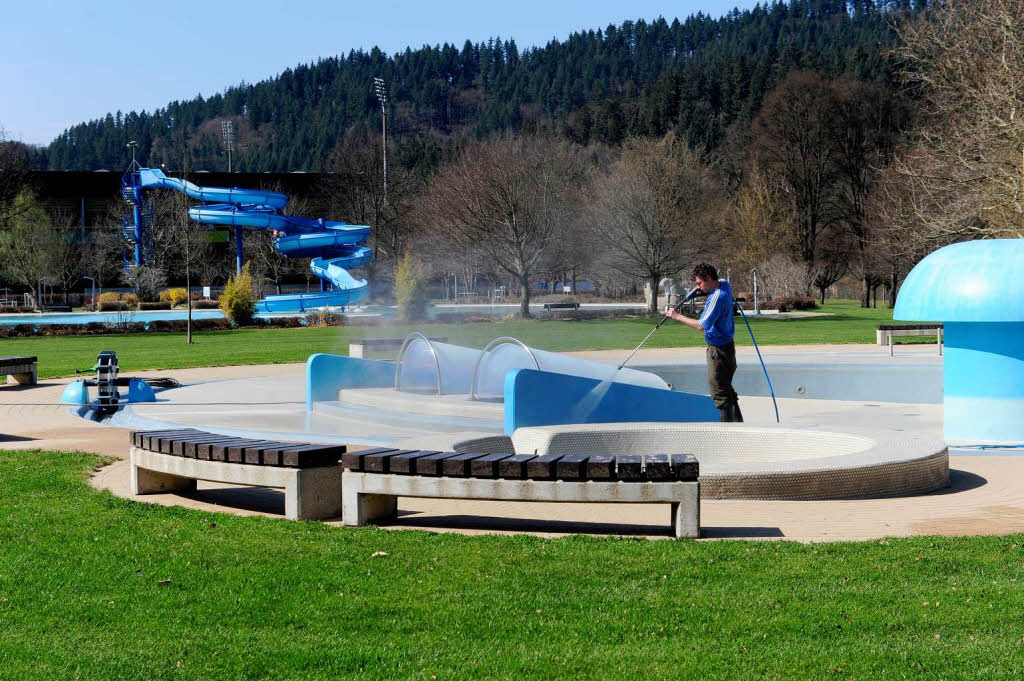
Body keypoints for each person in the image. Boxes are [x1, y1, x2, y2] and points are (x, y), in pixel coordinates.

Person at [665, 263, 743, 422]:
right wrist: (698, 292)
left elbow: (701, 325)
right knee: (726, 389)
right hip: (728, 347)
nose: (698, 286)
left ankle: (727, 432)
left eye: (700, 283)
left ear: (708, 278)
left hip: (718, 351)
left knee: (719, 393)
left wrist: (676, 316)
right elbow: (718, 281)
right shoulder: (724, 285)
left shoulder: (717, 297)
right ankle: (739, 426)